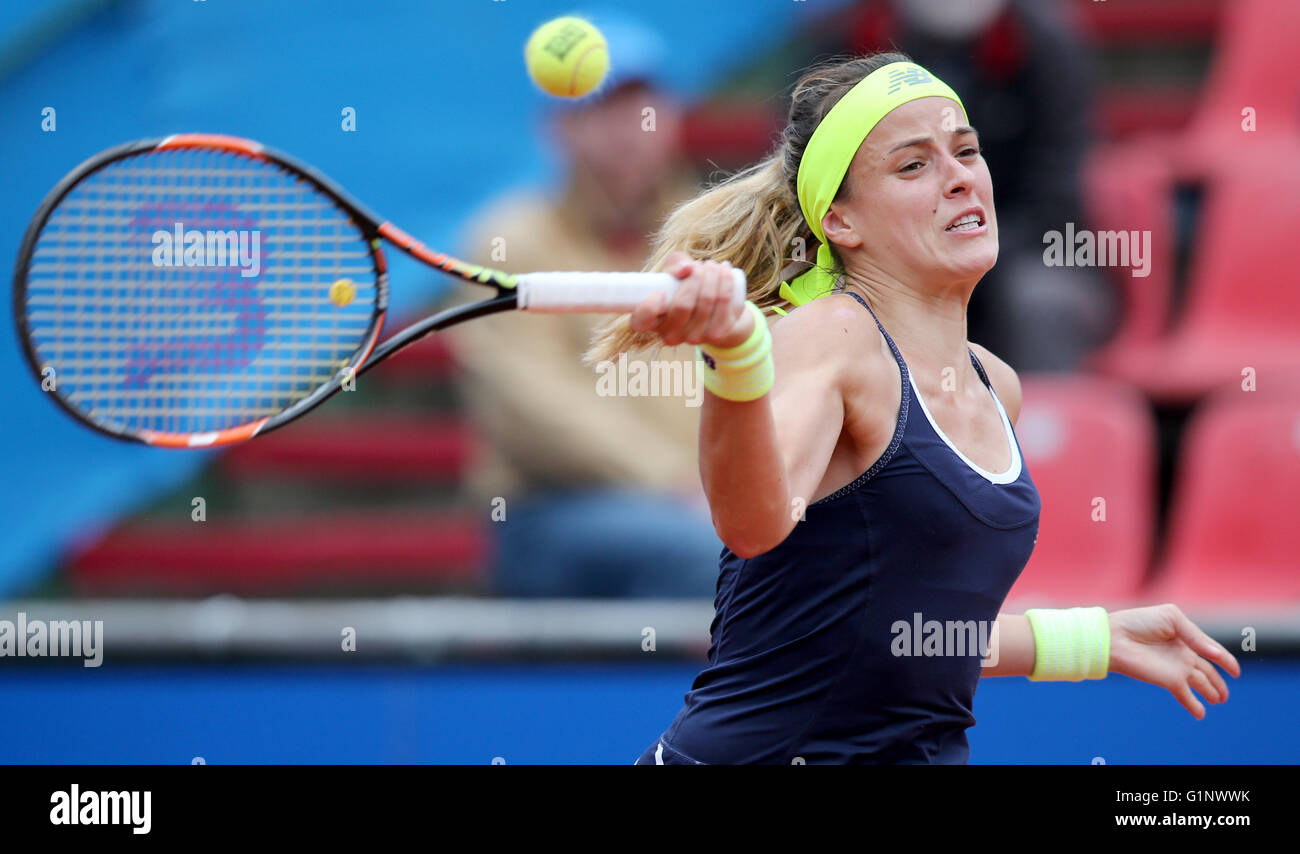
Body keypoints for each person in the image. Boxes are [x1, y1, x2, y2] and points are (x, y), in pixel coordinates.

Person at [582, 53, 1240, 764]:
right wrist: (736, 359)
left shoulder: (996, 386)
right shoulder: (832, 337)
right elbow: (751, 523)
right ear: (840, 219)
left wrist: (1093, 639)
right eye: (913, 166)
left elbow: (908, 633)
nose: (960, 176)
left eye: (965, 151)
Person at [444, 17, 722, 598]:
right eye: (602, 106)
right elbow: (530, 409)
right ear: (558, 127)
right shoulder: (508, 239)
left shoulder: (718, 235)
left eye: (639, 104)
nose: (627, 128)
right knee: (710, 552)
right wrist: (675, 481)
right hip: (552, 516)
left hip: (704, 504)